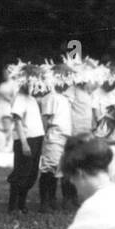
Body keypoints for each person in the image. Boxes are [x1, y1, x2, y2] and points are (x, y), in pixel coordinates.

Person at [6, 64, 45, 213]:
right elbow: (17, 121)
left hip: (36, 138)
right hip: (26, 140)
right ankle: (14, 205)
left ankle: (22, 204)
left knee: (31, 174)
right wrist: (24, 143)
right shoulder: (19, 98)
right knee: (21, 172)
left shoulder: (31, 98)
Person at [38, 65, 74, 211]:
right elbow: (45, 118)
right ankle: (45, 201)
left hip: (65, 136)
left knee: (62, 169)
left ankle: (56, 200)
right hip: (54, 135)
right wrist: (45, 136)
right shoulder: (50, 97)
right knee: (49, 169)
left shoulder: (64, 97)